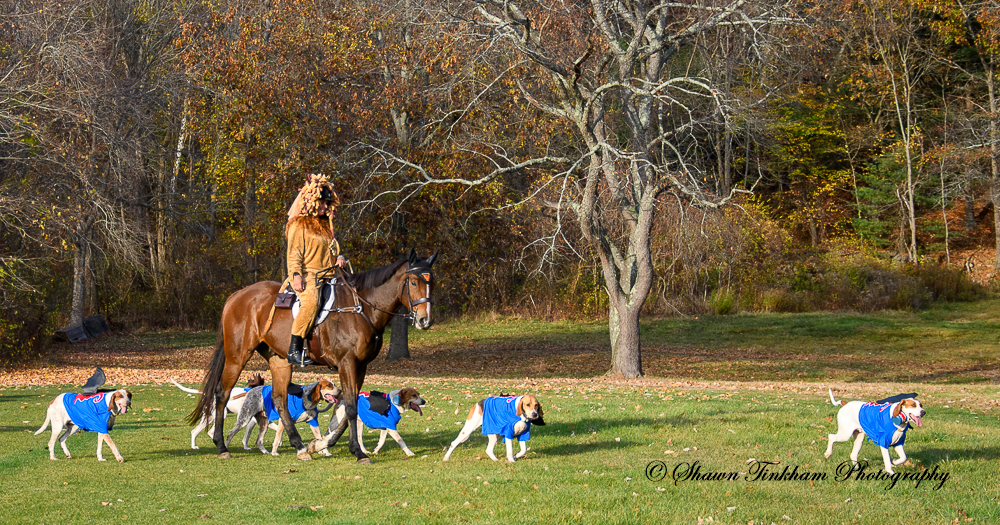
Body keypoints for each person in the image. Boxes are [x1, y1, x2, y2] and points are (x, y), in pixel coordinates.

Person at [284, 174, 347, 367]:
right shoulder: (299, 224)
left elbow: (331, 250)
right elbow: (294, 254)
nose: (325, 207)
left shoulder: (326, 225)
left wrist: (339, 258)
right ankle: (294, 349)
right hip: (308, 276)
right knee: (311, 302)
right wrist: (296, 275)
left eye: (328, 204)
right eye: (322, 202)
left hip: (329, 275)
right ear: (311, 201)